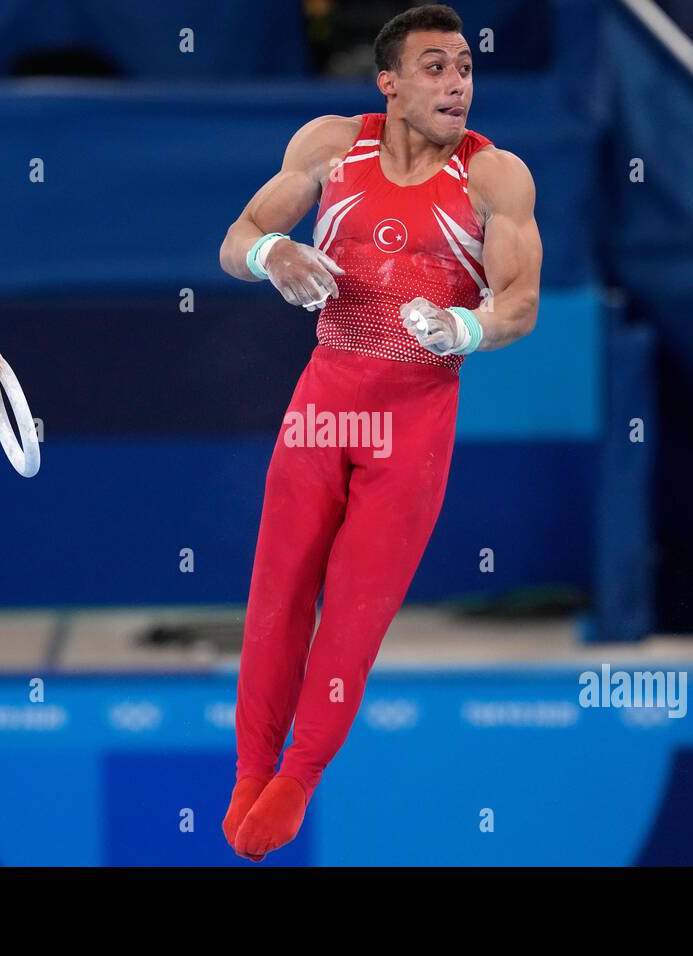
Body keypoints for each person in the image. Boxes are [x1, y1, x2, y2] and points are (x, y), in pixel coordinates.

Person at [217, 3, 543, 860]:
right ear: (389, 85)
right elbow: (238, 236)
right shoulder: (330, 146)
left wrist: (466, 328)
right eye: (436, 67)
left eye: (466, 67)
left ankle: (300, 774)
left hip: (417, 420)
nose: (458, 82)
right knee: (278, 589)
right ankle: (252, 768)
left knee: (354, 618)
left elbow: (520, 303)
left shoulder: (495, 178)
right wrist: (272, 256)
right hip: (323, 401)